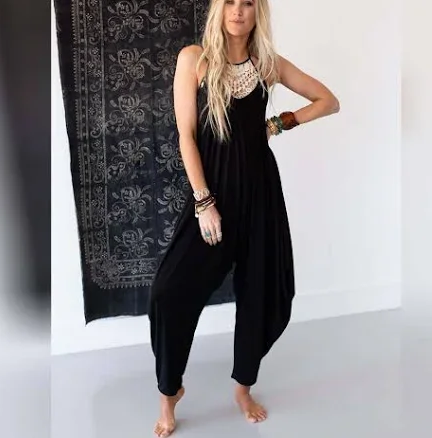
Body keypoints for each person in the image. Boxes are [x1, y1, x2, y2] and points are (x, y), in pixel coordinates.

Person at [148, 0, 340, 436]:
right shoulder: (194, 60)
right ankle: (169, 392)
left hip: (260, 194)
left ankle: (243, 389)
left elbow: (328, 101)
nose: (238, 10)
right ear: (219, 9)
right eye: (230, 2)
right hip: (213, 196)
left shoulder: (267, 64)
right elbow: (186, 136)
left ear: (258, 12)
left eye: (248, 2)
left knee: (259, 293)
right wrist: (203, 202)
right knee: (168, 292)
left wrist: (278, 124)